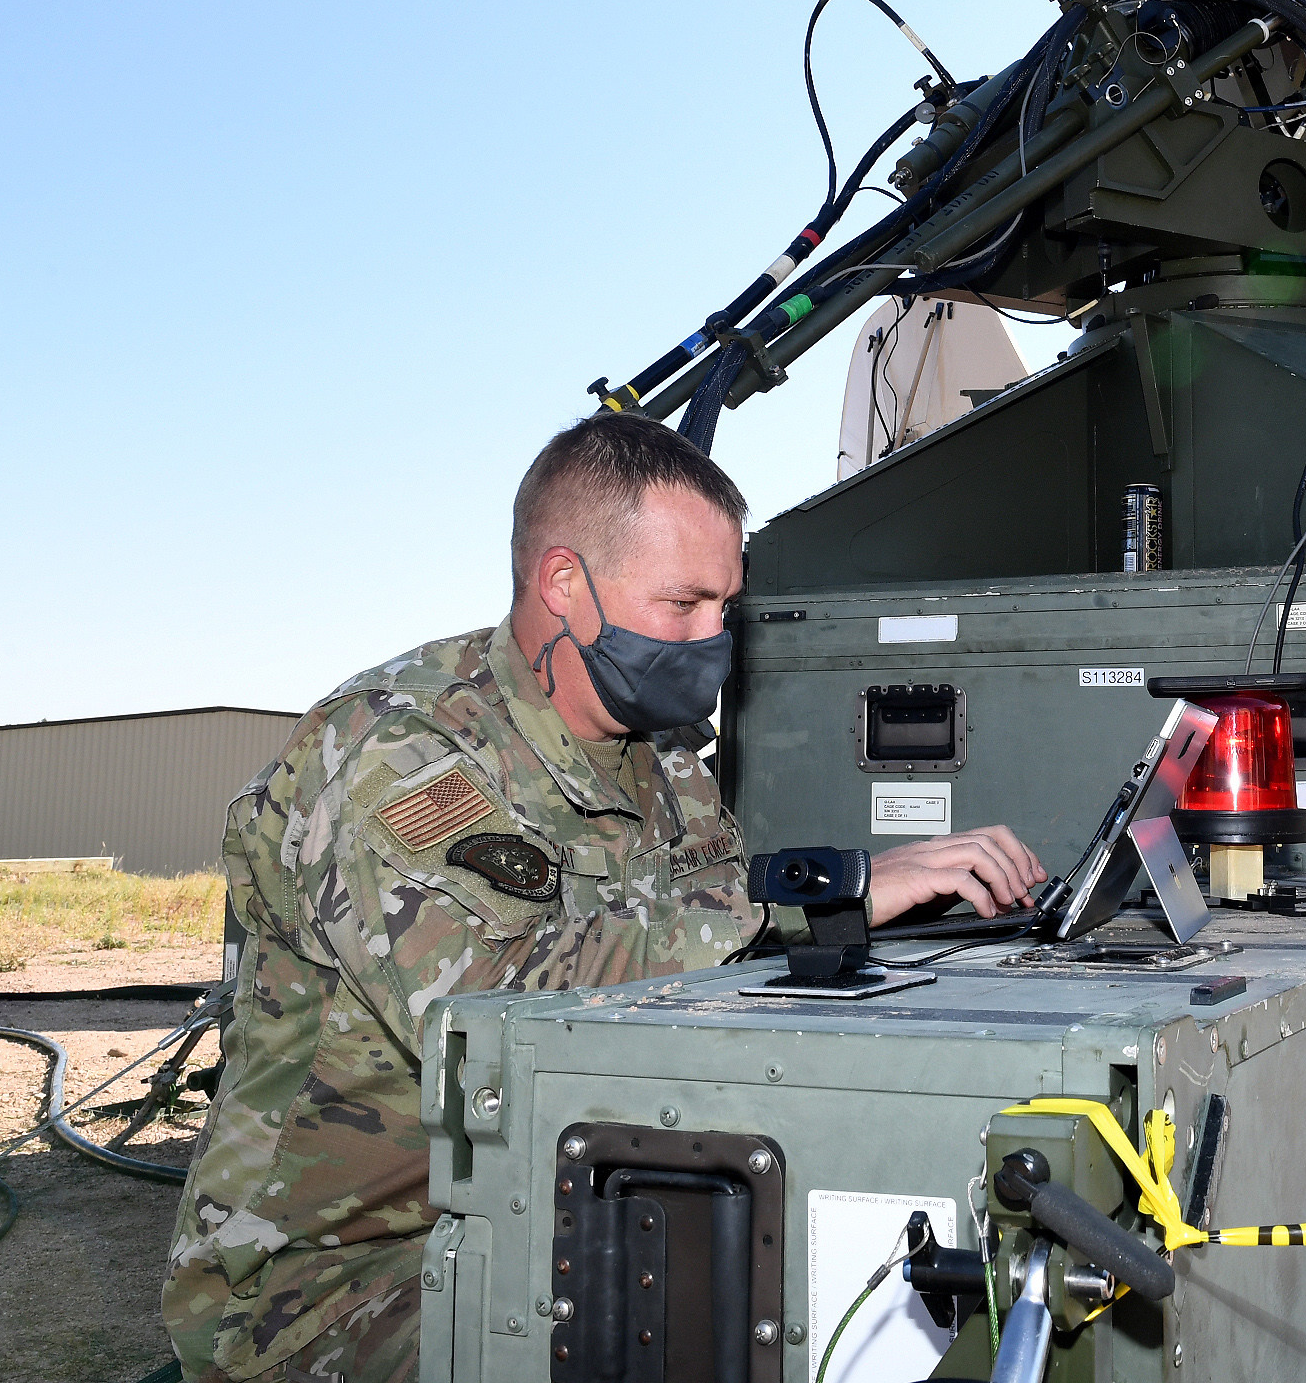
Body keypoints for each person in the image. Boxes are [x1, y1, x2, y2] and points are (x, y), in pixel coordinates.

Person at [162, 415, 1043, 1381]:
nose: (714, 639)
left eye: (725, 607)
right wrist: (832, 896)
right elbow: (501, 1014)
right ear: (563, 585)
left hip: (574, 1202)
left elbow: (695, 957)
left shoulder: (663, 755)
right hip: (343, 1275)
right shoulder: (400, 752)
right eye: (682, 604)